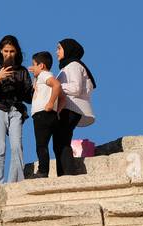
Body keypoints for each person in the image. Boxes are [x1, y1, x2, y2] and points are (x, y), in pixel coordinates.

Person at [0, 35, 31, 183]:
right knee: (0, 146)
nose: (8, 54)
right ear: (0, 52)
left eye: (12, 51)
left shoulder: (22, 71)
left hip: (16, 110)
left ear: (17, 53)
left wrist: (35, 84)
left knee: (16, 146)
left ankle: (16, 182)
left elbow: (29, 97)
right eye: (6, 51)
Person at [53, 38, 97, 176]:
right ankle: (63, 174)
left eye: (59, 48)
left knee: (62, 141)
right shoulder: (67, 67)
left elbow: (76, 88)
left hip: (71, 108)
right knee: (59, 142)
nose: (57, 52)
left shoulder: (73, 65)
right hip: (68, 108)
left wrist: (55, 86)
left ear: (68, 49)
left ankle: (68, 174)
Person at [28, 51, 63, 178]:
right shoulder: (42, 76)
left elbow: (57, 85)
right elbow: (62, 97)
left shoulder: (44, 75)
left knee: (41, 145)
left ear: (41, 66)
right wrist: (57, 110)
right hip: (51, 115)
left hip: (42, 115)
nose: (33, 68)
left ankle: (43, 171)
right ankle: (59, 170)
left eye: (34, 65)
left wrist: (50, 103)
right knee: (53, 145)